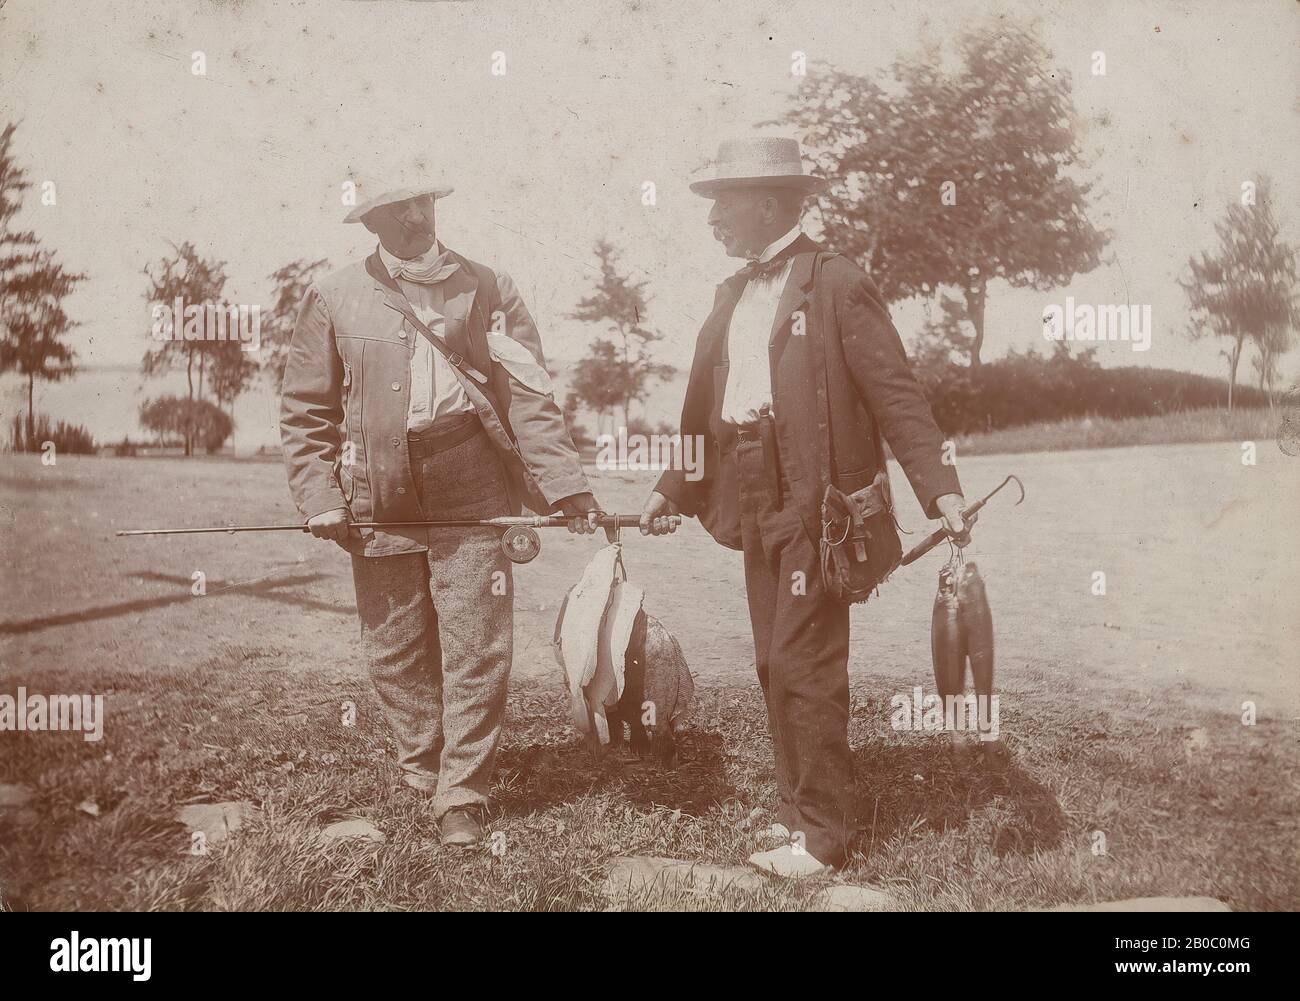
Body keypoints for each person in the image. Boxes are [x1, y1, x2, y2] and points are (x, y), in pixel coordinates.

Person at [640, 137, 972, 877]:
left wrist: (940, 487)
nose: (713, 219)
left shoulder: (837, 282)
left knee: (804, 659)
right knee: (771, 659)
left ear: (766, 201)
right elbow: (704, 406)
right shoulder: (732, 294)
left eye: (723, 202)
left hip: (817, 498)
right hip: (749, 485)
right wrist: (673, 485)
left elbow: (897, 393)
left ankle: (822, 838)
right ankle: (798, 809)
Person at [281, 174, 607, 847]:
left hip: (473, 481)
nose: (415, 217)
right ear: (371, 221)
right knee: (394, 648)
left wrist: (565, 484)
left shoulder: (488, 286)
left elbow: (528, 391)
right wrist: (319, 496)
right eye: (396, 209)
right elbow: (306, 409)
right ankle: (422, 767)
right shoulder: (335, 293)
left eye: (422, 202)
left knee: (476, 641)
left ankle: (463, 791)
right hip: (380, 486)